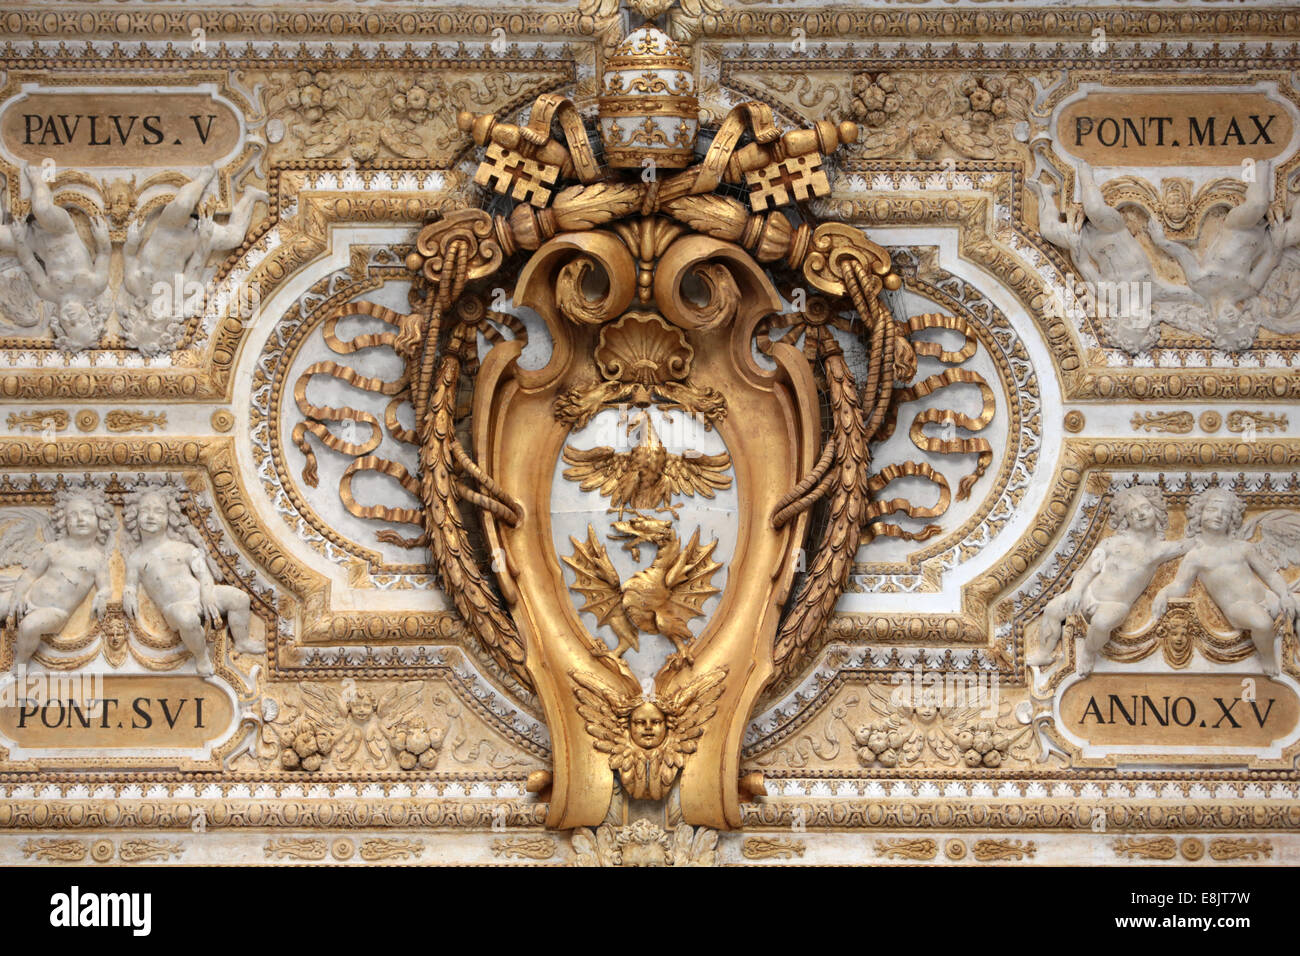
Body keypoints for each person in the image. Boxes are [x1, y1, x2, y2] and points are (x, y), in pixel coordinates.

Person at [1029, 486, 1190, 675]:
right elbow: (1086, 571)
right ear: (1125, 520)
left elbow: (1186, 545)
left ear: (1156, 510)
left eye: (1145, 508)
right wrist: (1076, 591)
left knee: (1102, 623)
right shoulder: (1110, 544)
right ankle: (1044, 652)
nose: (1140, 514)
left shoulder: (1158, 550)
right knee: (1052, 609)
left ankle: (1089, 653)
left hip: (1116, 604)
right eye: (1132, 512)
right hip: (1088, 595)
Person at [1151, 487, 1298, 677]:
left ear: (1232, 519)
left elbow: (1270, 575)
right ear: (1200, 513)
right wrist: (1163, 593)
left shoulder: (1243, 548)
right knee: (1262, 624)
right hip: (1238, 607)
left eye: (1225, 513)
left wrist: (1284, 595)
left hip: (1266, 596)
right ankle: (1268, 655)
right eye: (1212, 509)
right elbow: (1180, 585)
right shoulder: (1196, 556)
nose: (1218, 515)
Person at [122, 485, 258, 677]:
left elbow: (204, 575)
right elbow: (130, 583)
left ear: (169, 517)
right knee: (187, 619)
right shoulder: (136, 558)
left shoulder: (183, 548)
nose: (151, 516)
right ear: (135, 516)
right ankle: (202, 657)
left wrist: (208, 594)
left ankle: (242, 640)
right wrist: (128, 594)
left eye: (158, 511)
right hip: (175, 606)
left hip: (200, 595)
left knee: (239, 598)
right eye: (145, 511)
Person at [3, 488, 114, 669]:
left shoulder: (96, 558)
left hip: (55, 612)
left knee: (29, 627)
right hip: (29, 597)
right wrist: (17, 596)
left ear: (98, 519)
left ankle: (21, 661)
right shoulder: (53, 549)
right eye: (73, 515)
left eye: (86, 513)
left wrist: (102, 596)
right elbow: (30, 574)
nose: (80, 519)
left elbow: (106, 587)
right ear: (65, 522)